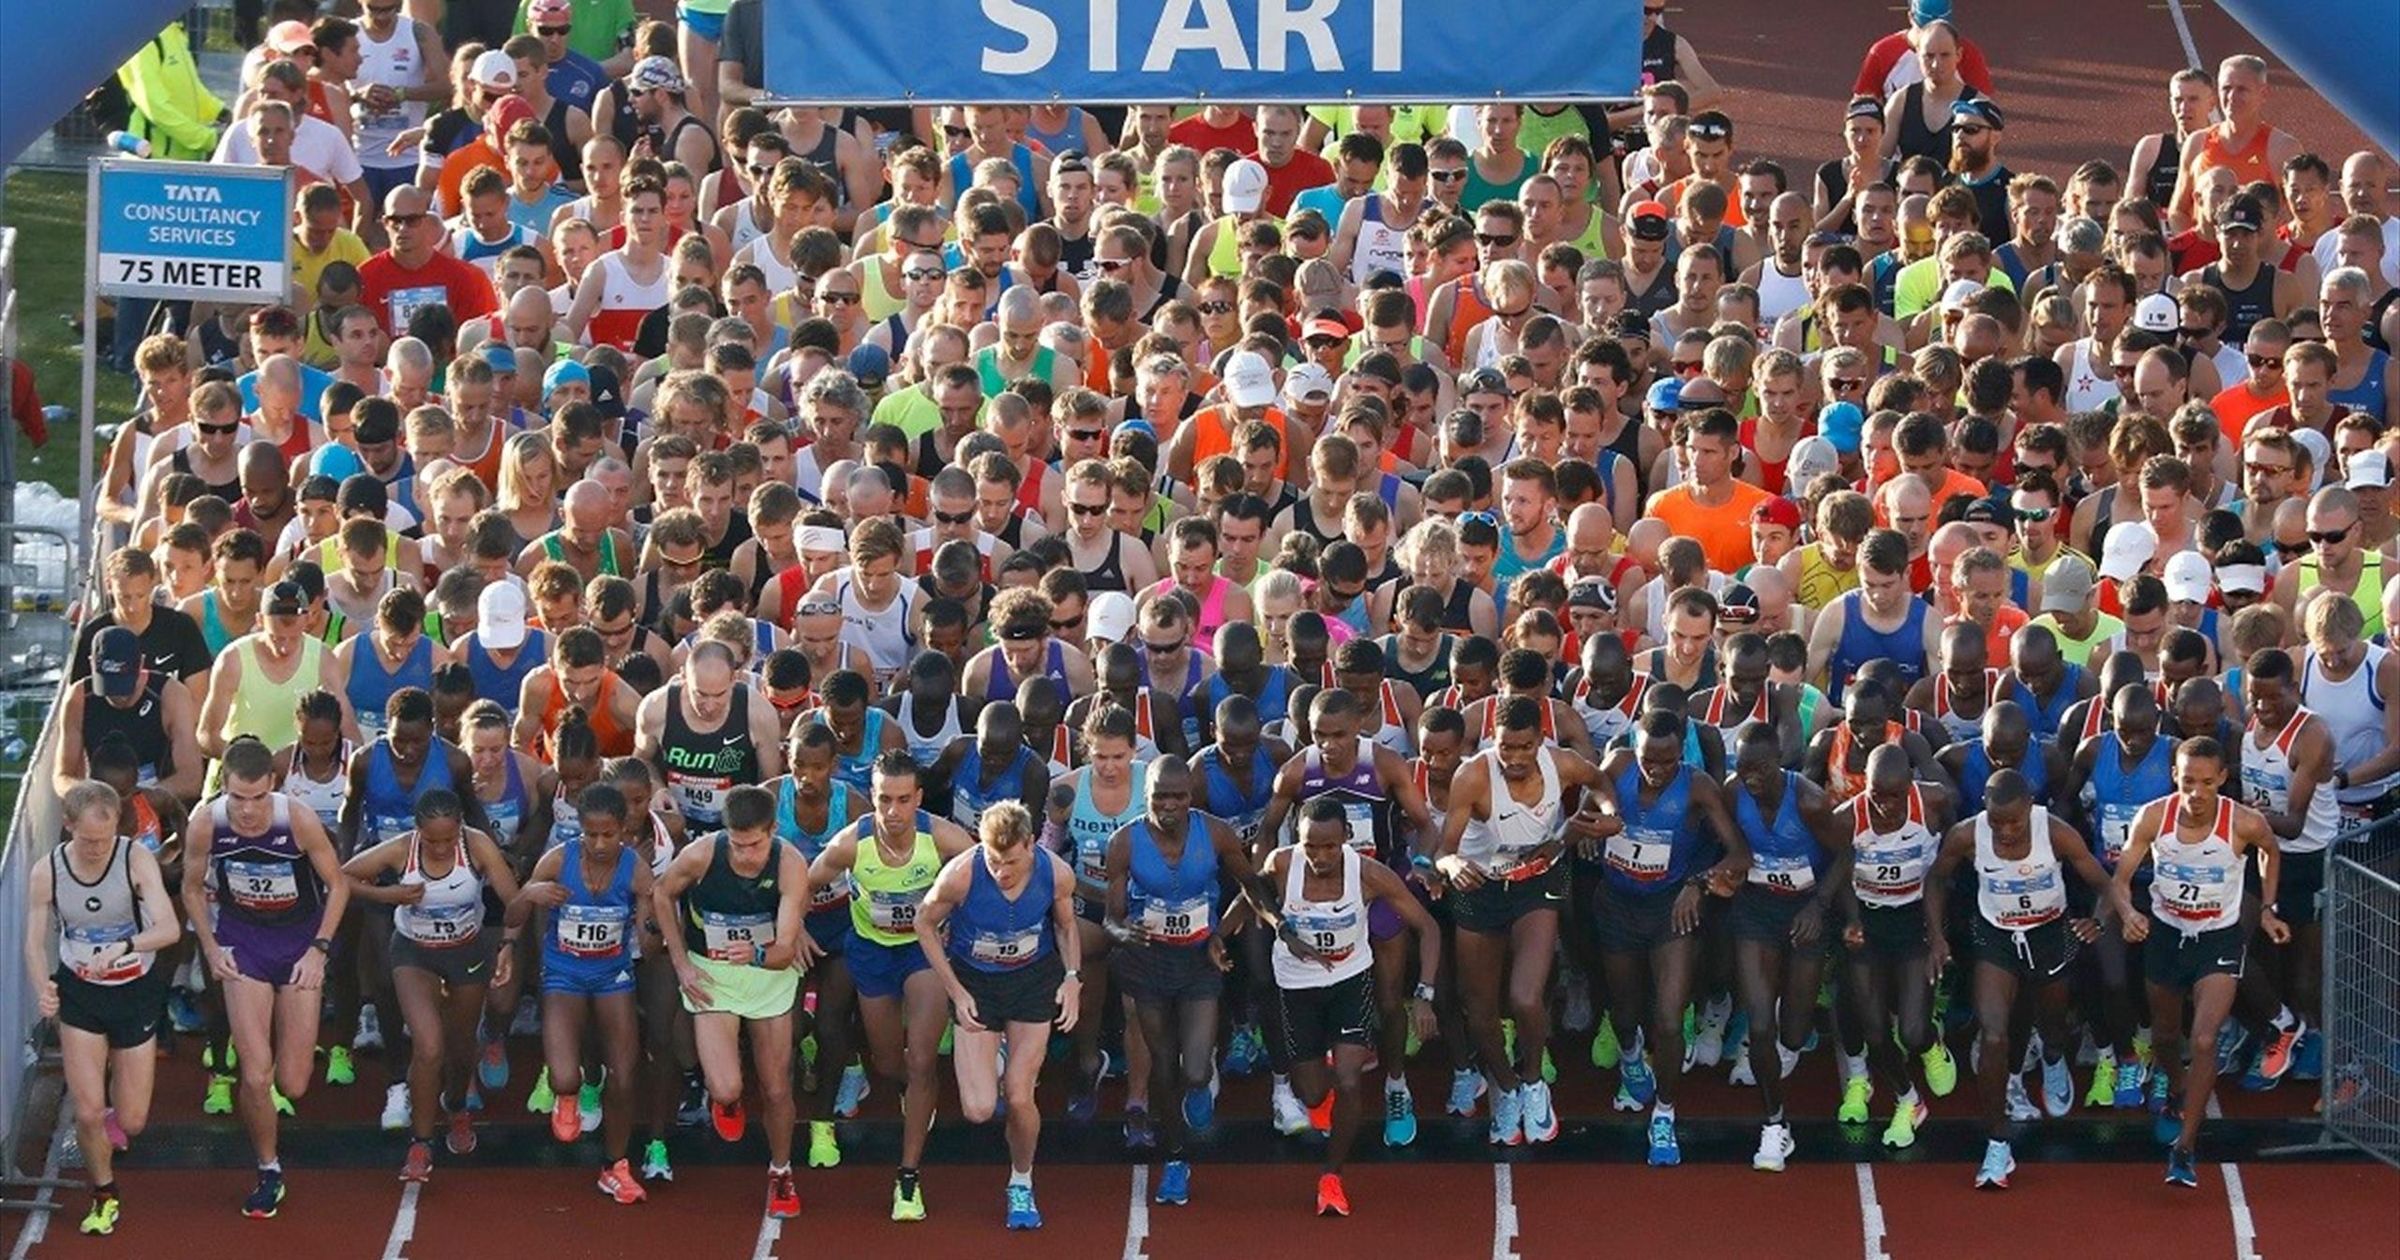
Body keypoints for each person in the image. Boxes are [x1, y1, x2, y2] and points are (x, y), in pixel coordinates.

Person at [1923, 769, 2131, 1190]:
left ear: (2031, 807)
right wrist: (1937, 936)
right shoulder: (1966, 836)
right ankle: (1997, 1142)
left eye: (2014, 822)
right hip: (1995, 935)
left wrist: (2099, 921)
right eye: (1997, 821)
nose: (2005, 831)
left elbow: (2104, 883)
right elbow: (1937, 878)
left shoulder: (2056, 833)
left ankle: (2053, 1055)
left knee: (2052, 1020)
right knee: (1994, 1036)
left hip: (2049, 933)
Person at [1434, 694, 1617, 1148]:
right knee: (1479, 1007)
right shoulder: (1472, 776)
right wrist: (1453, 865)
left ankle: (1534, 1080)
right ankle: (1506, 1087)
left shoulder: (1564, 764)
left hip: (1538, 881)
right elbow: (1443, 849)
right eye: (1505, 747)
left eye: (1524, 746)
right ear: (1491, 740)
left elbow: (1601, 783)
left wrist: (1609, 817)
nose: (1514, 758)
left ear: (1541, 740)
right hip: (1481, 888)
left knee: (1525, 997)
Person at [178, 736, 350, 1218]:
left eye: (257, 798)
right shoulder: (206, 823)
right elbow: (191, 889)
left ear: (271, 787)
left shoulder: (294, 817)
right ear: (224, 789)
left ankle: (282, 1055)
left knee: (293, 1083)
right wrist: (211, 948)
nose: (249, 812)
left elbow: (338, 885)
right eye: (238, 799)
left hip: (297, 945)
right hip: (243, 946)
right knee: (255, 1073)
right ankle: (268, 1169)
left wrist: (319, 950)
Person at [806, 751, 975, 1221]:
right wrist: (794, 928)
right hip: (871, 951)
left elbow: (982, 870)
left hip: (923, 952)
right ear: (873, 800)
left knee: (920, 1059)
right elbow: (803, 882)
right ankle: (910, 1087)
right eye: (884, 800)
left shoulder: (942, 836)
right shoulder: (849, 845)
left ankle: (907, 1177)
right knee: (888, 1062)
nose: (894, 811)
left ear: (919, 798)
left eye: (904, 800)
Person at [2112, 737, 2287, 1186]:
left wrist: (2267, 909)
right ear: (2175, 776)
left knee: (2205, 1039)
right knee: (2167, 1036)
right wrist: (2130, 912)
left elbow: (2271, 849)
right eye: (2188, 781)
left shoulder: (2243, 822)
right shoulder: (2153, 817)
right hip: (2167, 935)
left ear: (2222, 780)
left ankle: (2185, 1148)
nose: (2196, 792)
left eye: (2207, 783)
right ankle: (2175, 1084)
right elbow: (2121, 878)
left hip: (2218, 937)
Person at [1263, 796, 1442, 1217]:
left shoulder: (1370, 875)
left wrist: (1424, 993)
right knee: (1311, 1092)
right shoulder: (1282, 864)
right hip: (1296, 985)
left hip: (1349, 980)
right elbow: (1252, 894)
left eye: (1329, 846)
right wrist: (1260, 931)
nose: (1321, 857)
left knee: (1348, 1080)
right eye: (1311, 846)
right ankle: (1321, 1085)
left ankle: (1332, 1177)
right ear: (1298, 840)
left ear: (1346, 838)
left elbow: (1428, 927)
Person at [1104, 759, 1273, 1206]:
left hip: (1199, 960)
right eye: (1160, 796)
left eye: (1178, 796)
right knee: (1163, 1066)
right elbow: (1111, 918)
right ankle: (1175, 1161)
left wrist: (1227, 932)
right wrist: (1124, 933)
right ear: (1146, 797)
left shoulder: (1216, 833)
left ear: (1191, 798)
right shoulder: (1124, 842)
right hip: (1149, 963)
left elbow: (1250, 886)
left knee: (1194, 1070)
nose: (1170, 805)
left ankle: (1201, 1086)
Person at [912, 801, 1082, 1230]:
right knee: (979, 1109)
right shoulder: (962, 875)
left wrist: (1072, 979)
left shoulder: (1055, 872)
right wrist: (955, 989)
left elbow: (1064, 926)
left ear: (1029, 845)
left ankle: (1021, 1182)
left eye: (1009, 861)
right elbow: (924, 924)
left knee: (1020, 1095)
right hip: (977, 984)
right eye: (993, 860)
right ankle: (998, 1055)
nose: (1001, 872)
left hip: (1032, 981)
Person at [1588, 707, 1746, 1166]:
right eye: (1647, 760)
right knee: (1624, 1012)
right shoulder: (1616, 766)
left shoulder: (1697, 786)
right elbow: (1585, 811)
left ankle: (1664, 1112)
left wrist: (1697, 885)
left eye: (1666, 761)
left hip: (1669, 911)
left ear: (1682, 752)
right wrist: (1597, 821)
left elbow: (1736, 851)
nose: (1655, 771)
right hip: (1617, 904)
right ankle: (1632, 1057)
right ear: (1632, 747)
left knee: (1670, 1018)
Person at [26, 781, 184, 1237]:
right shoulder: (47, 871)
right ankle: (103, 1193)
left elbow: (169, 928)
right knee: (89, 1111)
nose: (97, 848)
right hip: (80, 992)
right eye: (87, 839)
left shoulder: (133, 858)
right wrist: (44, 988)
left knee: (131, 1118)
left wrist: (123, 947)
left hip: (133, 988)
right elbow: (35, 943)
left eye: (105, 837)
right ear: (68, 826)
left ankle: (113, 1111)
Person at [340, 789, 522, 1181]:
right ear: (417, 831)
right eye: (431, 840)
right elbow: (342, 877)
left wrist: (507, 945)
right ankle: (420, 1144)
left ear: (460, 828)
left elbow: (515, 903)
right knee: (428, 1045)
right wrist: (387, 894)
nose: (439, 848)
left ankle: (456, 1105)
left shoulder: (478, 847)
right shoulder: (401, 849)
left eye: (447, 839)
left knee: (460, 1051)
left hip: (466, 953)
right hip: (414, 954)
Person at [652, 783, 809, 1220]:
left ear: (773, 831)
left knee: (777, 1086)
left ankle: (781, 1171)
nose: (744, 855)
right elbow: (663, 894)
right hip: (712, 976)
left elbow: (784, 951)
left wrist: (757, 953)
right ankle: (728, 1100)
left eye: (754, 845)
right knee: (725, 1086)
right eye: (737, 846)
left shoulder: (791, 865)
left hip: (768, 975)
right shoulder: (703, 854)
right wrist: (681, 962)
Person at [509, 782, 655, 1203]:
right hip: (563, 975)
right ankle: (567, 1096)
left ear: (624, 830)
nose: (599, 843)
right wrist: (528, 893)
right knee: (564, 1076)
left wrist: (652, 920)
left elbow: (650, 943)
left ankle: (615, 1166)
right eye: (591, 834)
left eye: (608, 834)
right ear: (579, 829)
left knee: (625, 1076)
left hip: (613, 976)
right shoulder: (558, 859)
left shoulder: (636, 869)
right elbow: (515, 916)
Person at [1723, 725, 1850, 1172]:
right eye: (1742, 768)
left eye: (1759, 768)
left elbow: (1845, 853)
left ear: (1779, 761)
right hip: (1756, 910)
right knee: (1760, 1027)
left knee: (1793, 1032)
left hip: (1805, 910)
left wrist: (1819, 906)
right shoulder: (1732, 792)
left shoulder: (1810, 801)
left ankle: (1788, 1035)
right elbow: (1728, 843)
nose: (1750, 777)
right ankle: (1775, 1125)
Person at [1839, 745, 1956, 1148]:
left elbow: (1950, 861)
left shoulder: (1935, 801)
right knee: (1874, 1028)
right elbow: (1840, 873)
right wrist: (1851, 919)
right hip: (1869, 923)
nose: (1886, 806)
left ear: (1911, 786)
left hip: (1914, 920)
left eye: (1895, 796)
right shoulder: (1847, 818)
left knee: (1912, 1029)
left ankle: (1931, 1044)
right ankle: (1909, 1100)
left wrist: (1940, 931)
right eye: (1877, 795)